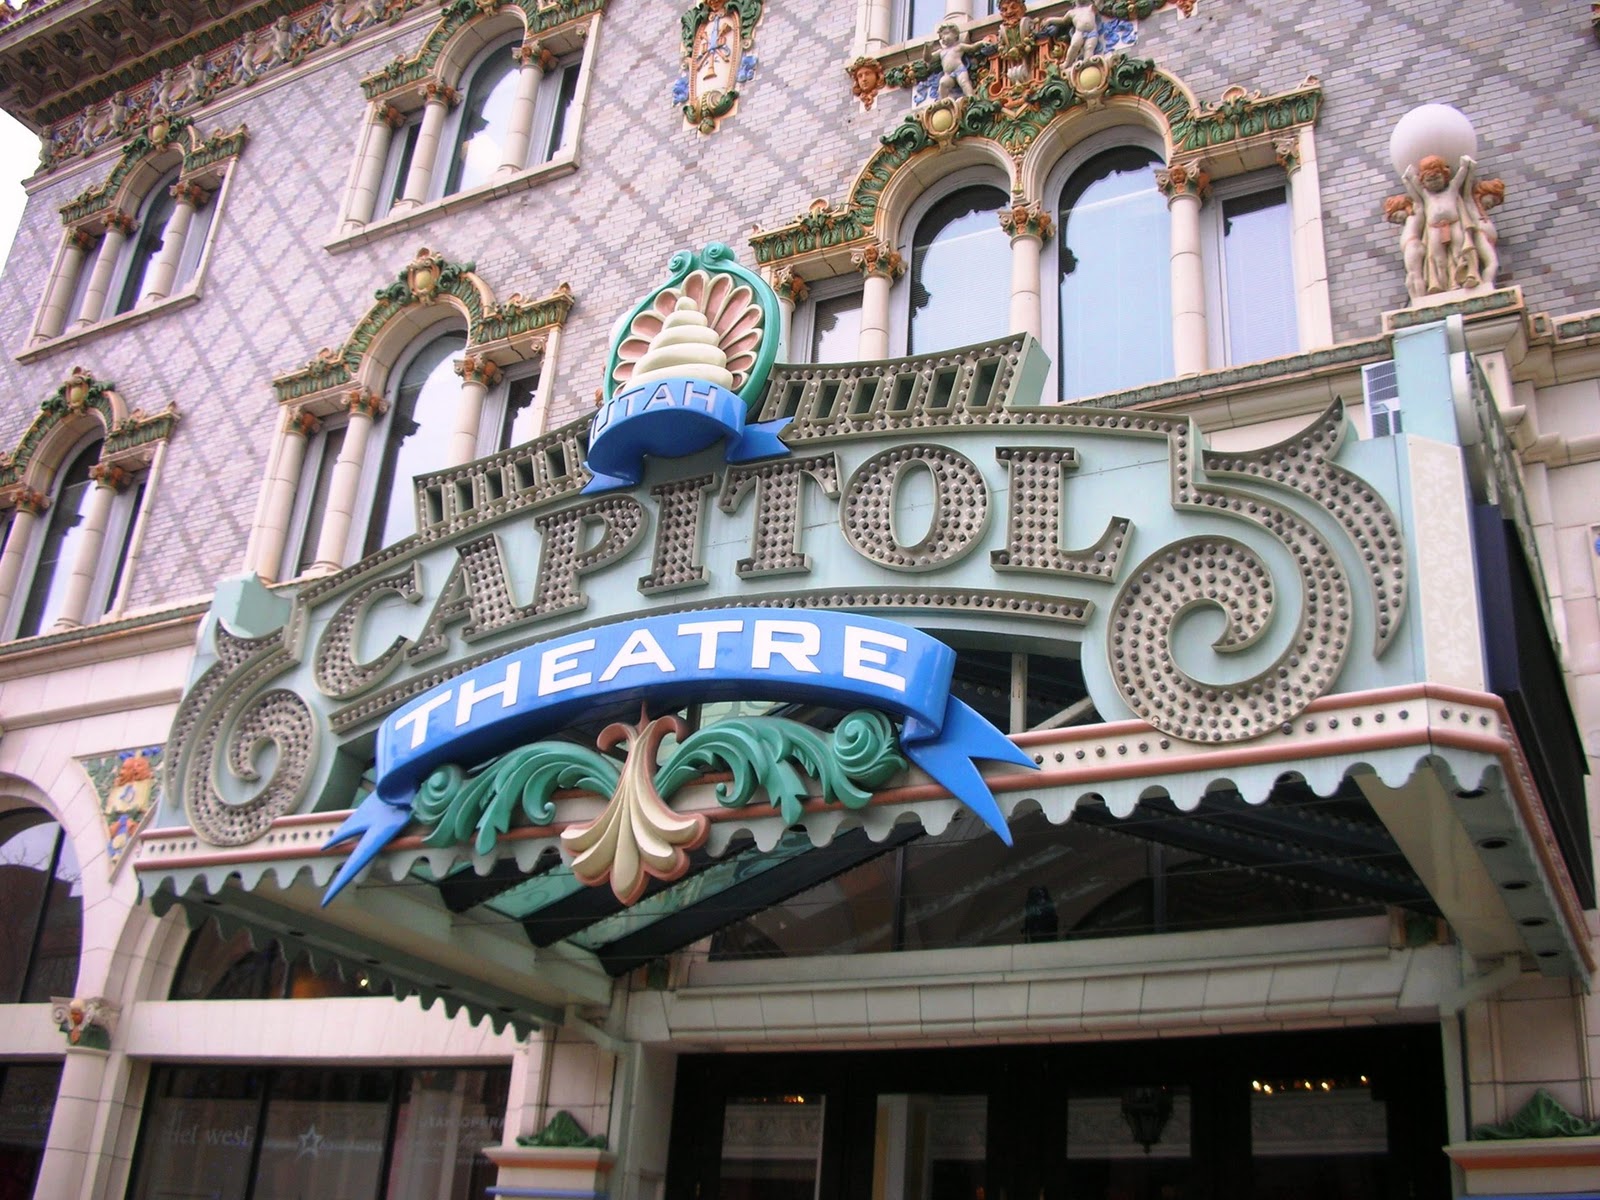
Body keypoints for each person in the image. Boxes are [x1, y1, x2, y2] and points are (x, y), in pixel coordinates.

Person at [934, 23, 979, 98]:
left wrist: (981, 43)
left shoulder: (959, 47)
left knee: (964, 82)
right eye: (941, 37)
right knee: (942, 83)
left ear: (955, 34)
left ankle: (971, 97)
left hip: (959, 70)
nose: (943, 37)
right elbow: (928, 59)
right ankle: (942, 103)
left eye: (946, 34)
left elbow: (972, 48)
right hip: (948, 74)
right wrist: (927, 48)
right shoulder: (941, 52)